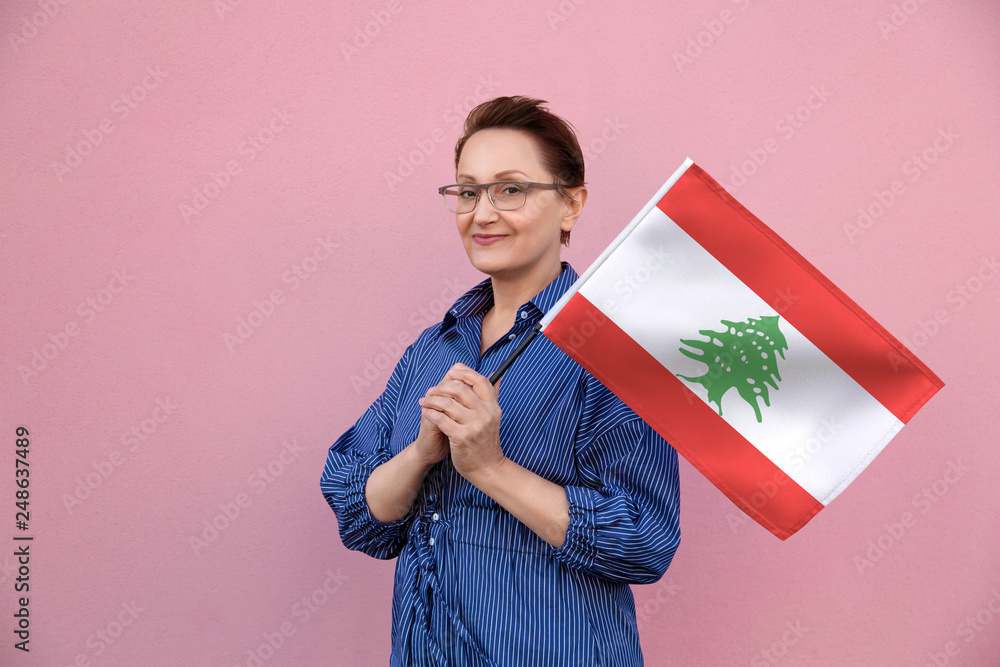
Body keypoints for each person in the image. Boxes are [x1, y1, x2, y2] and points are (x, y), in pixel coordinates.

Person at [320, 96, 681, 666]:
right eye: (467, 192)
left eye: (510, 189)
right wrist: (419, 455)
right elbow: (362, 516)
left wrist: (489, 466)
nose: (482, 214)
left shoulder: (614, 352)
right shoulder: (434, 348)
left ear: (570, 205)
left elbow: (643, 541)